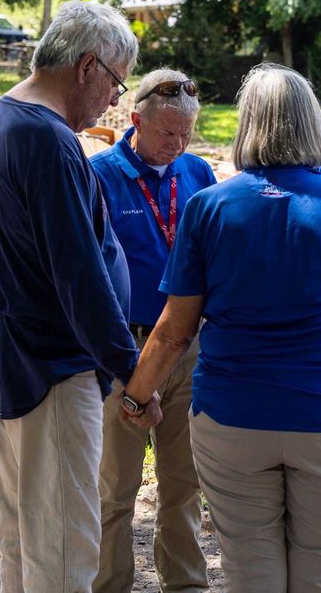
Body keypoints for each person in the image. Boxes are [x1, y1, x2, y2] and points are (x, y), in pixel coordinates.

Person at [119, 63, 321, 592]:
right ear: (312, 125)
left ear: (247, 125)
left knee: (250, 574)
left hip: (233, 416)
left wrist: (137, 397)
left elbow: (175, 329)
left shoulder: (207, 208)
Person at [0, 0, 145, 592]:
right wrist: (130, 371)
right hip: (51, 368)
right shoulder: (47, 139)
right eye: (117, 82)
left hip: (14, 360)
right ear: (89, 66)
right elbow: (80, 274)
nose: (116, 101)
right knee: (65, 551)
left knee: (26, 542)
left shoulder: (1, 120)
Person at [90, 69, 215, 593]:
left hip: (186, 345)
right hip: (126, 346)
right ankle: (108, 584)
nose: (178, 145)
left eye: (187, 134)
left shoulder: (199, 173)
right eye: (167, 134)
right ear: (135, 119)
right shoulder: (98, 175)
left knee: (183, 483)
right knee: (114, 488)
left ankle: (185, 585)